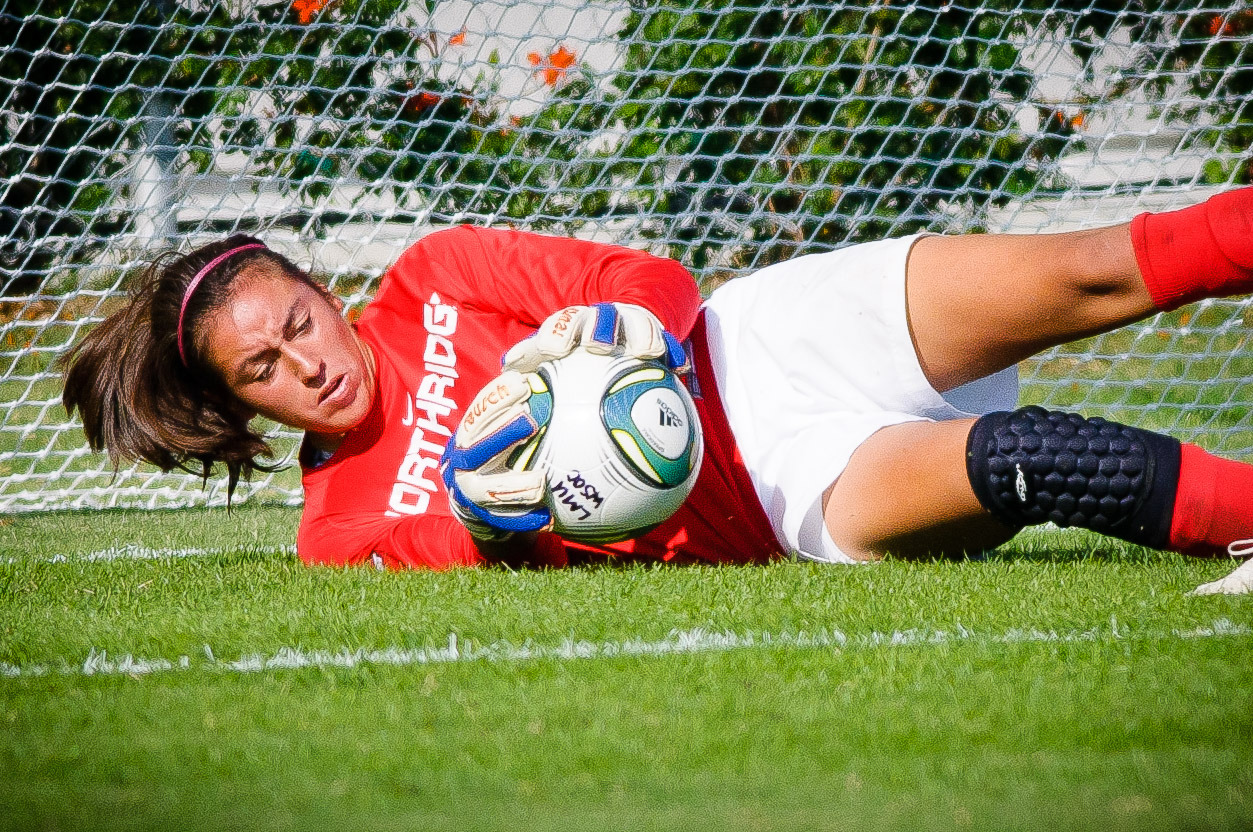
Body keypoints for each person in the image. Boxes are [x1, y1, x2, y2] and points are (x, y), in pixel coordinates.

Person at [60, 189, 1253, 595]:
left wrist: (615, 343)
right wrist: (503, 481)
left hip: (763, 343)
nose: (306, 362)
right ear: (242, 407)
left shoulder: (433, 277)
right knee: (1015, 456)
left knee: (1095, 266)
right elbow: (489, 542)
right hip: (778, 495)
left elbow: (646, 276)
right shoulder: (341, 534)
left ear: (320, 286)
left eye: (297, 322)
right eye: (262, 369)